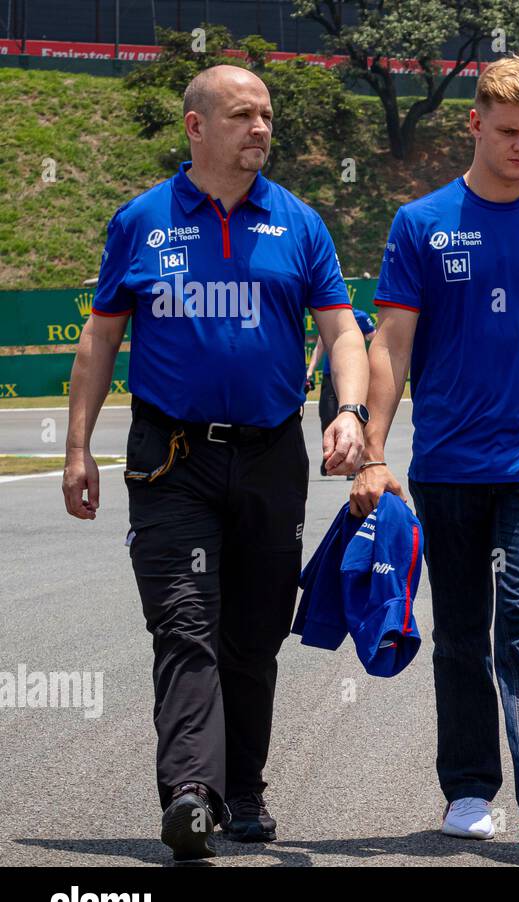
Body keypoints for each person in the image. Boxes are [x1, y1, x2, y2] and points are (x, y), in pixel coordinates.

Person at [61, 64, 368, 861]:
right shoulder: (141, 221)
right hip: (172, 459)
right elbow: (99, 340)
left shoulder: (298, 222)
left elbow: (341, 332)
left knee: (255, 633)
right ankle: (191, 793)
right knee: (185, 624)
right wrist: (76, 449)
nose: (261, 128)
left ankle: (244, 791)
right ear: (196, 127)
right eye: (242, 115)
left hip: (270, 454)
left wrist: (351, 413)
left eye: (266, 115)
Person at [350, 55, 519, 857]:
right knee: (463, 635)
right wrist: (373, 451)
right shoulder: (421, 223)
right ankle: (469, 788)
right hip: (445, 467)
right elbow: (390, 346)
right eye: (508, 132)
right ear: (475, 123)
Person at [307, 307, 377, 475]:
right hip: (330, 376)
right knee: (328, 416)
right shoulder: (327, 317)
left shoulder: (360, 317)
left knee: (354, 418)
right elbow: (319, 347)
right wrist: (309, 372)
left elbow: (374, 338)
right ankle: (330, 457)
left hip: (353, 374)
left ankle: (354, 461)